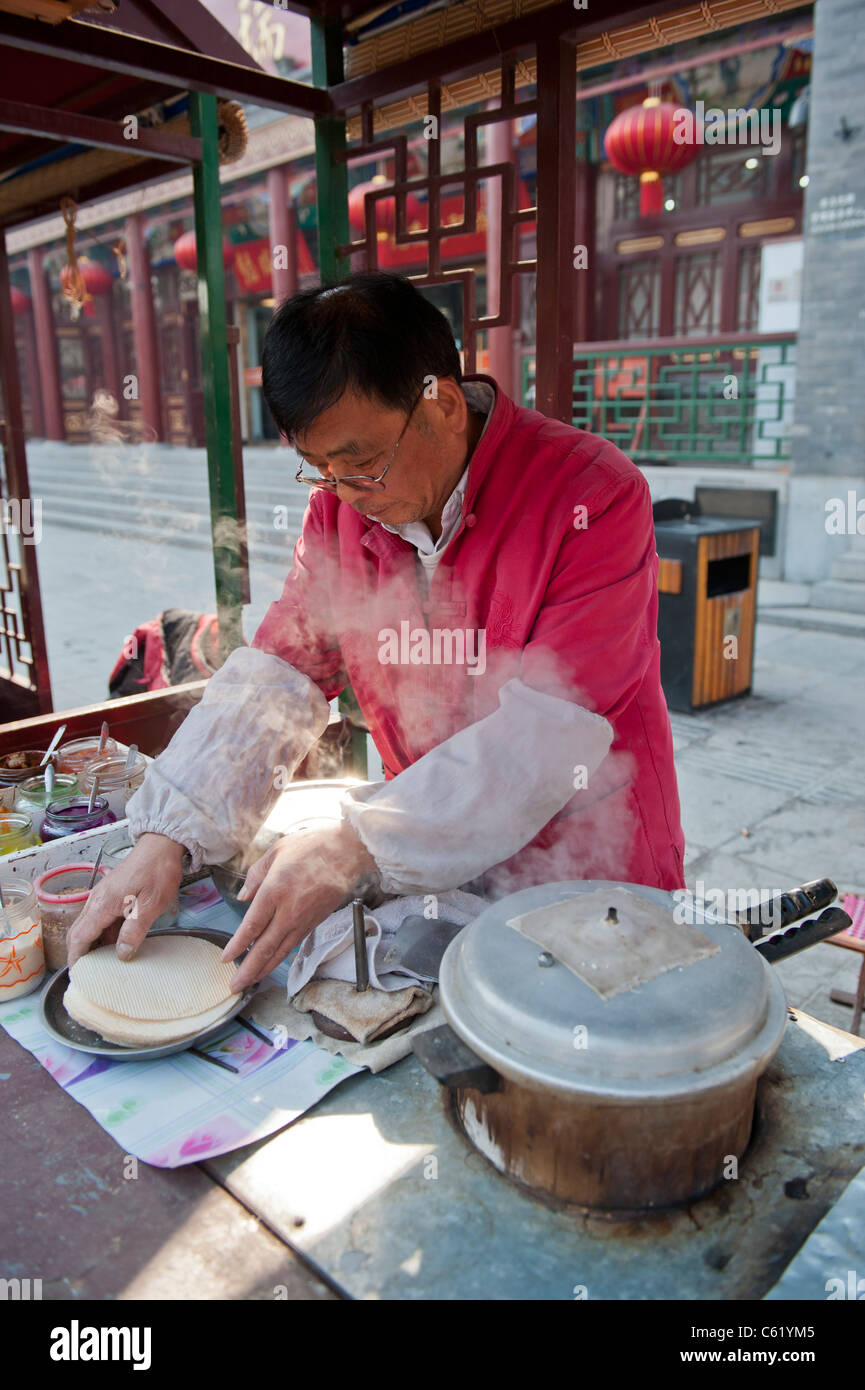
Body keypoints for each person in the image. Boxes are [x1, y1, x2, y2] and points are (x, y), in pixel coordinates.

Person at [68, 271, 685, 992]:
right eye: (319, 471)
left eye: (361, 463)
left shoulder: (591, 495)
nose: (343, 494)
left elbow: (551, 735)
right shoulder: (340, 507)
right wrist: (170, 832)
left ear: (443, 404)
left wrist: (355, 841)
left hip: (584, 861)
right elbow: (283, 672)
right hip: (428, 850)